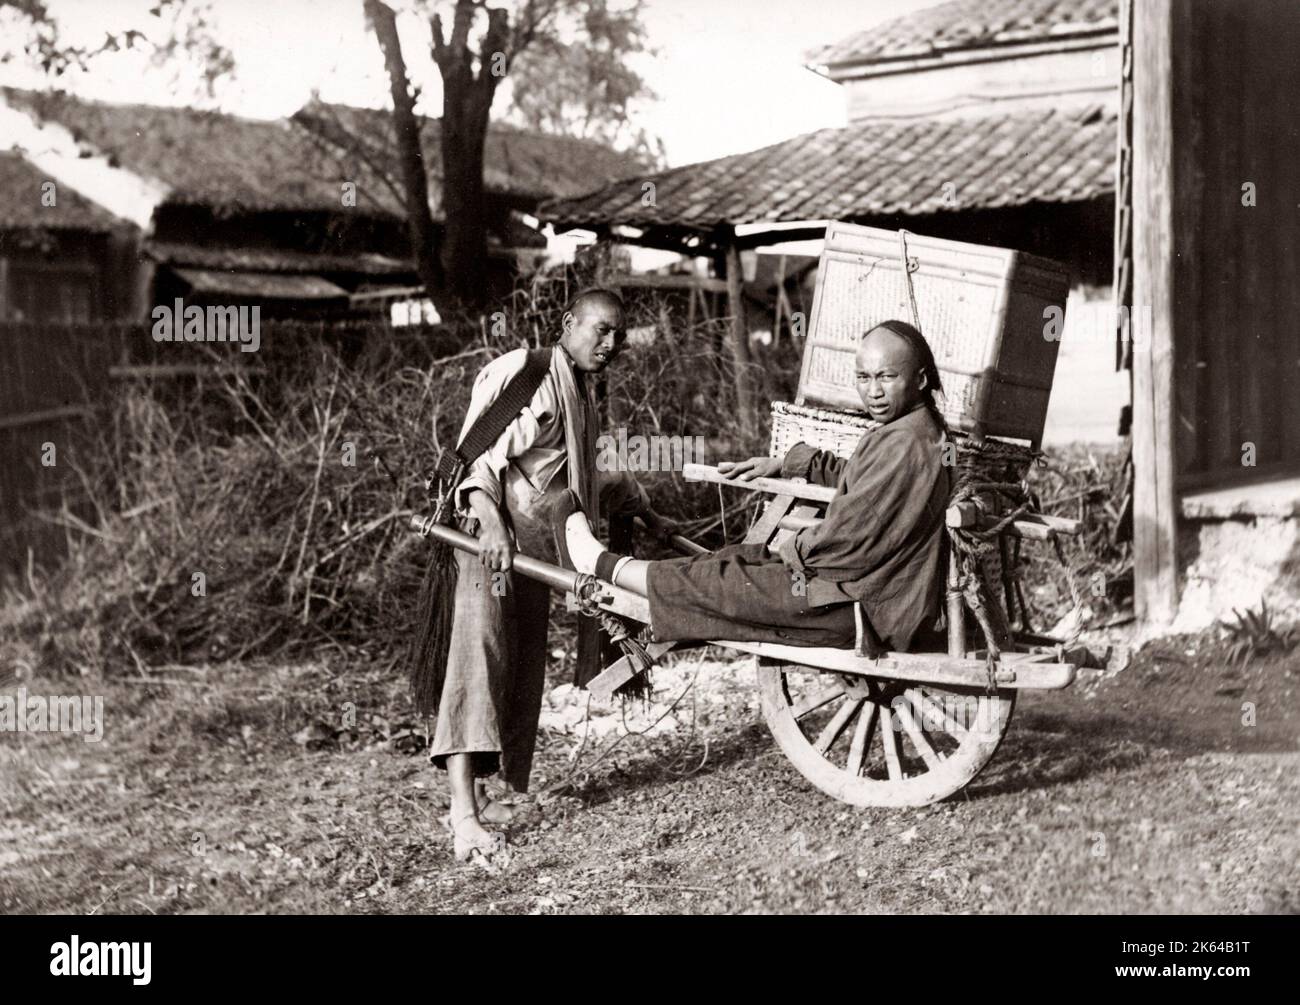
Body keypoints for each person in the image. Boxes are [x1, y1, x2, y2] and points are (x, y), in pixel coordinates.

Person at [554, 320, 952, 655]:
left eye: (887, 377)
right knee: (731, 561)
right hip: (866, 592)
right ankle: (616, 573)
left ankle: (599, 566)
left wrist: (791, 550)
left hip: (857, 606)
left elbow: (848, 542)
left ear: (918, 378)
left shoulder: (905, 443)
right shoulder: (913, 431)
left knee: (723, 582)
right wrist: (788, 462)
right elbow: (863, 479)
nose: (874, 391)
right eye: (863, 377)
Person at [433, 289, 658, 866]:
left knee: (519, 667)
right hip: (489, 542)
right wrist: (491, 528)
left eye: (617, 336)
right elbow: (478, 457)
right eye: (599, 331)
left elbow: (579, 471)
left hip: (535, 550)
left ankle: (483, 796)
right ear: (568, 323)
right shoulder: (529, 373)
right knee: (479, 660)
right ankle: (462, 816)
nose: (608, 345)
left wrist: (638, 504)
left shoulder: (581, 388)